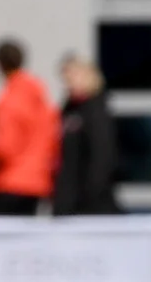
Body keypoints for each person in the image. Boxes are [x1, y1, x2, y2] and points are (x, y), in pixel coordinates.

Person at [0, 39, 59, 217]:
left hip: (9, 184)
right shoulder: (42, 99)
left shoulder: (7, 101)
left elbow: (5, 149)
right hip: (37, 183)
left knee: (1, 242)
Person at [51, 55, 120, 216]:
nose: (68, 83)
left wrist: (89, 195)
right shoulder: (68, 110)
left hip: (87, 204)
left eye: (72, 76)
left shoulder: (95, 111)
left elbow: (103, 156)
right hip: (67, 199)